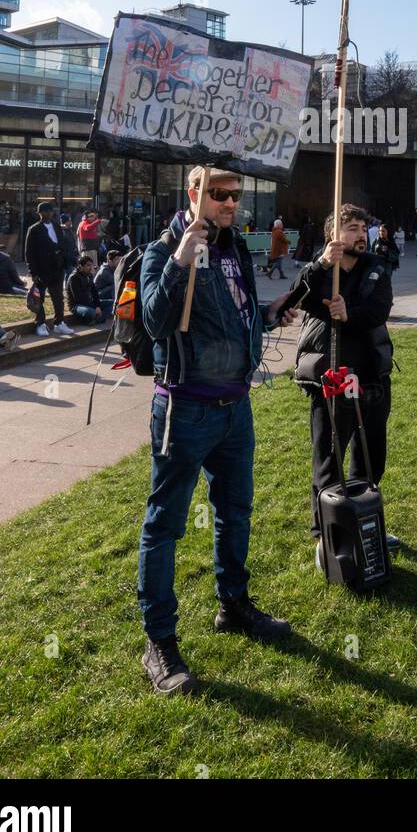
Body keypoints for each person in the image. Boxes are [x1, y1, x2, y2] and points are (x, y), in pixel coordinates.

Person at [137, 165, 298, 696]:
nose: (231, 203)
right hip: (184, 409)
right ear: (194, 193)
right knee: (166, 526)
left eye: (236, 194)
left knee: (236, 510)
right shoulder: (163, 249)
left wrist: (270, 314)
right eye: (220, 194)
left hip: (235, 407)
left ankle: (234, 605)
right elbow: (155, 321)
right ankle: (159, 641)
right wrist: (182, 258)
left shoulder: (233, 248)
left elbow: (238, 315)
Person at [291, 204, 398, 566]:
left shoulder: (376, 269)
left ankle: (366, 519)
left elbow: (380, 310)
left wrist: (348, 313)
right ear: (332, 236)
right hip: (332, 380)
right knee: (329, 458)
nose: (360, 234)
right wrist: (321, 264)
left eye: (363, 227)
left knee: (371, 456)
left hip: (371, 378)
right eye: (351, 228)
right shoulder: (323, 271)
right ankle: (327, 533)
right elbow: (297, 296)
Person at [25, 202, 74, 339]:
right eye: (45, 212)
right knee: (39, 298)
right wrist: (33, 271)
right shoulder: (34, 229)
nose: (48, 214)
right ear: (40, 213)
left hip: (57, 268)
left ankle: (59, 322)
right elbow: (29, 252)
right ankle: (40, 323)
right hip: (42, 269)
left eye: (50, 211)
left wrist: (65, 261)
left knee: (58, 298)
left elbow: (62, 245)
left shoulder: (57, 226)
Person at [67, 256, 107, 324]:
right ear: (80, 266)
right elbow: (78, 297)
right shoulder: (74, 277)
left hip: (89, 303)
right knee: (91, 312)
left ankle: (96, 320)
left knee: (111, 303)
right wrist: (94, 307)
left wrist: (97, 306)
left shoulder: (89, 275)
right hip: (77, 305)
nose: (91, 268)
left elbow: (94, 292)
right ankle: (97, 319)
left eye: (91, 265)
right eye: (88, 265)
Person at [94, 249, 121, 315]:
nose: (119, 261)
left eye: (120, 259)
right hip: (98, 295)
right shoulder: (104, 271)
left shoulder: (112, 268)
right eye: (117, 259)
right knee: (115, 286)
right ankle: (117, 307)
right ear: (109, 261)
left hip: (105, 293)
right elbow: (118, 282)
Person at [58, 214, 80, 279]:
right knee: (69, 273)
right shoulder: (62, 231)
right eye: (69, 221)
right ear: (65, 222)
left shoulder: (68, 230)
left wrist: (76, 253)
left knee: (69, 274)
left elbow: (72, 243)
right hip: (66, 257)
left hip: (70, 256)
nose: (71, 222)